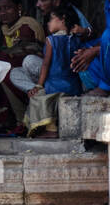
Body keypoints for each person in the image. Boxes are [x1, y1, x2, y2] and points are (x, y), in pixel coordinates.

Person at [12, 0, 92, 95]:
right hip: (59, 72)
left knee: (28, 62)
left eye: (43, 0)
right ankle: (39, 90)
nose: (38, 4)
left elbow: (86, 38)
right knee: (15, 73)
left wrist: (85, 32)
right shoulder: (54, 19)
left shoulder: (71, 16)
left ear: (56, 1)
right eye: (38, 0)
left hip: (73, 75)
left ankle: (41, 90)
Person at [24, 7, 84, 136]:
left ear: (62, 20)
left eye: (51, 19)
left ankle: (51, 129)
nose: (48, 23)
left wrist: (39, 85)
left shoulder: (51, 40)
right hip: (73, 85)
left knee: (37, 97)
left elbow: (45, 64)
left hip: (55, 85)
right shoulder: (76, 39)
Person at [0, 0, 45, 130]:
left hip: (36, 73)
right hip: (17, 72)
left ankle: (19, 120)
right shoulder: (6, 30)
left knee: (4, 70)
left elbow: (23, 54)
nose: (3, 13)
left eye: (7, 8)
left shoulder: (27, 25)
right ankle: (8, 118)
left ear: (18, 8)